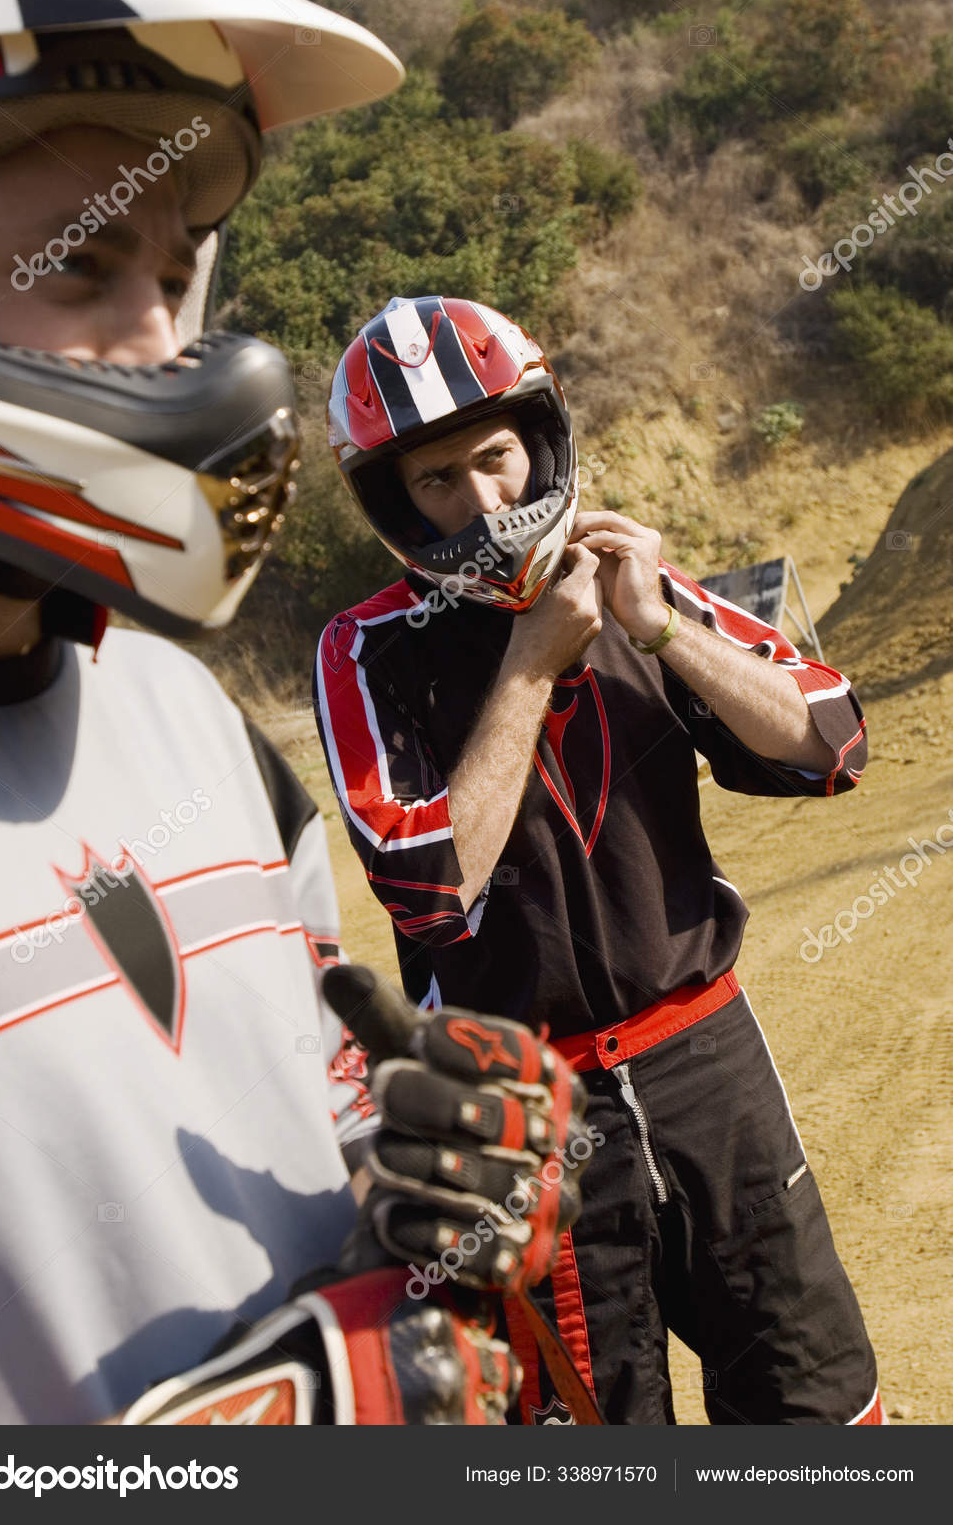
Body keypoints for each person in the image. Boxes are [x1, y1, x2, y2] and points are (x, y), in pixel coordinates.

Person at [0, 0, 589, 1428]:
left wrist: (431, 1193)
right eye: (83, 270)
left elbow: (314, 1118)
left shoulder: (187, 720)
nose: (160, 342)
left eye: (178, 265)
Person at [313, 293, 887, 1426]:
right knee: (593, 1428)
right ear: (393, 499)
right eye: (438, 481)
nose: (484, 502)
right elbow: (425, 885)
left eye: (496, 457)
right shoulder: (368, 650)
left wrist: (663, 625)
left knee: (808, 1384)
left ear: (543, 436)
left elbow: (832, 742)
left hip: (705, 1057)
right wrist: (531, 662)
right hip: (524, 1107)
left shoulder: (628, 575)